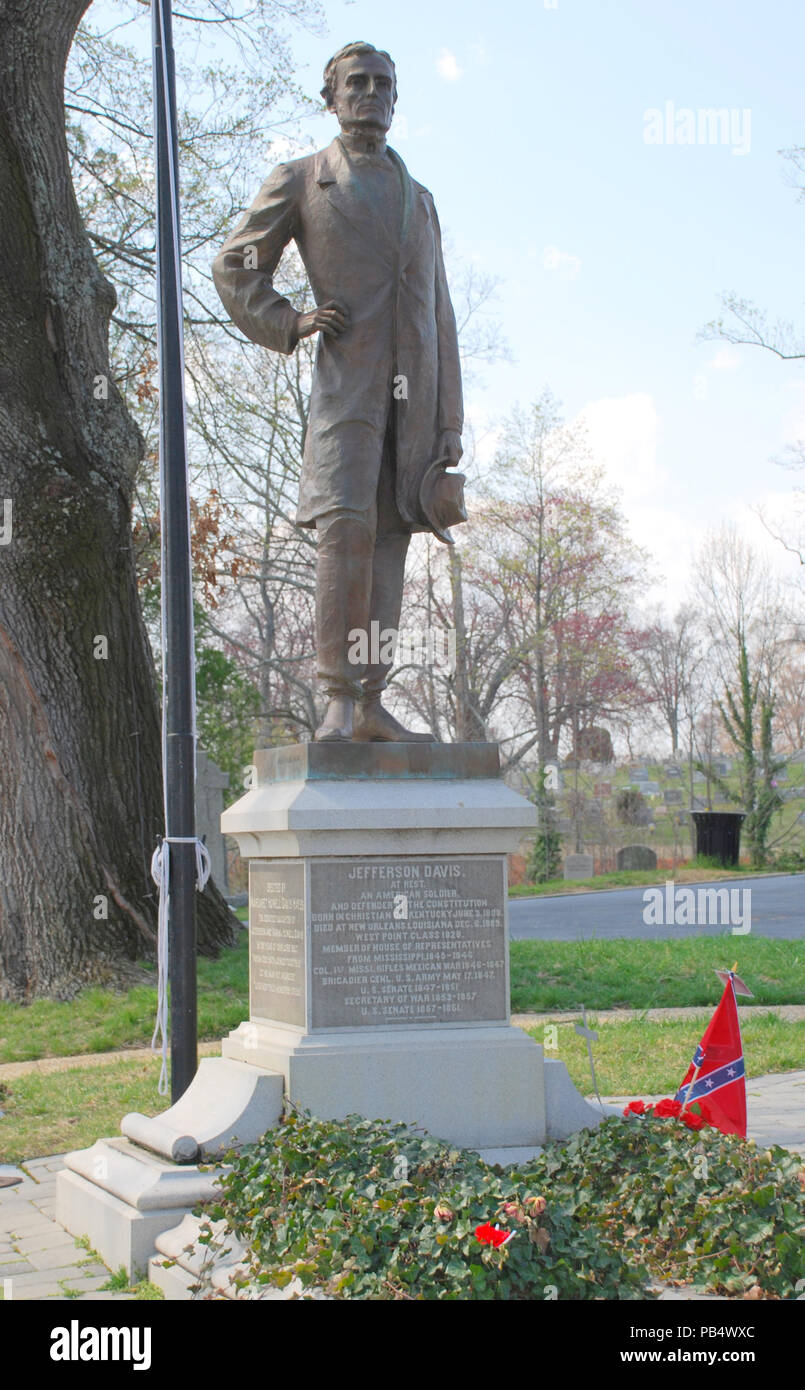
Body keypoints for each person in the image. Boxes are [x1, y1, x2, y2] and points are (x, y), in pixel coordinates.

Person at [213, 41, 465, 742]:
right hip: (344, 387)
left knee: (392, 539)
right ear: (331, 98)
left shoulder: (419, 199)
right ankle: (337, 700)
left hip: (412, 399)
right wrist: (289, 321)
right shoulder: (301, 179)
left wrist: (449, 419)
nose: (370, 94)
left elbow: (439, 313)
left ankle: (372, 702)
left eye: (383, 83)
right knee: (345, 529)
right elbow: (235, 266)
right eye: (355, 83)